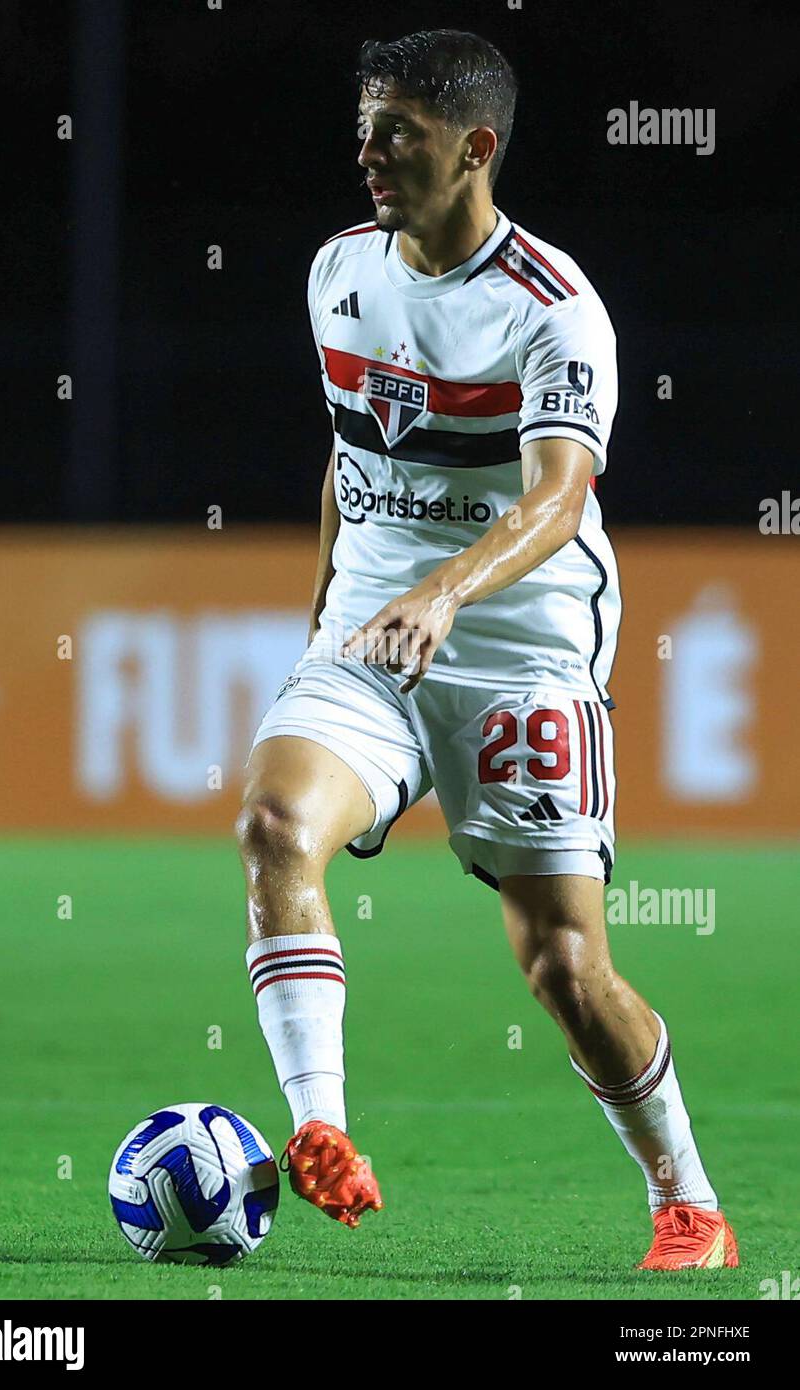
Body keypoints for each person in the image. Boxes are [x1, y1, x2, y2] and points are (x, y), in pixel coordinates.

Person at [237, 28, 737, 1271]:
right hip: (371, 634)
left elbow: (557, 500)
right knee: (273, 827)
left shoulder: (554, 312)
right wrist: (324, 619)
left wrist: (449, 593)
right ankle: (322, 1130)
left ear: (475, 148)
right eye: (363, 126)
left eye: (395, 130)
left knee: (564, 966)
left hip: (519, 647)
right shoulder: (337, 271)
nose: (368, 152)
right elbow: (349, 460)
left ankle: (689, 1202)